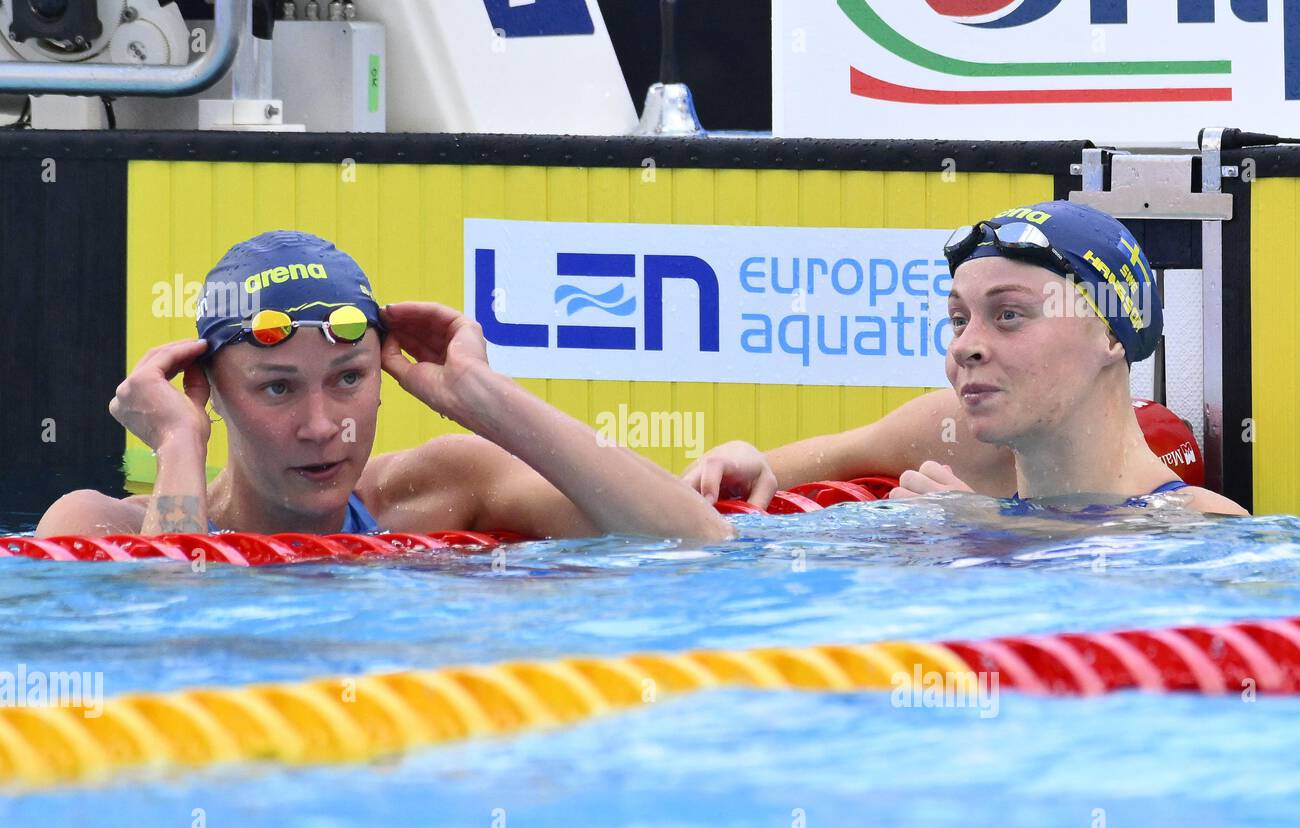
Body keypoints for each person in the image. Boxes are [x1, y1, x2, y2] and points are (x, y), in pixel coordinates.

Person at [37, 231, 734, 541]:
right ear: (208, 389)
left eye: (348, 379)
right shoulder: (94, 525)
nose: (321, 426)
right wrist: (178, 447)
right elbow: (160, 653)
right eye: (277, 389)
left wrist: (487, 398)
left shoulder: (441, 490)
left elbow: (696, 540)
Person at [684, 201, 1247, 517]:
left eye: (1008, 315)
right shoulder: (951, 437)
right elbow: (771, 477)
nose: (963, 346)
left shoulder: (1203, 526)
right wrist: (750, 464)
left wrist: (998, 533)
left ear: (1113, 337)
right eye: (959, 319)